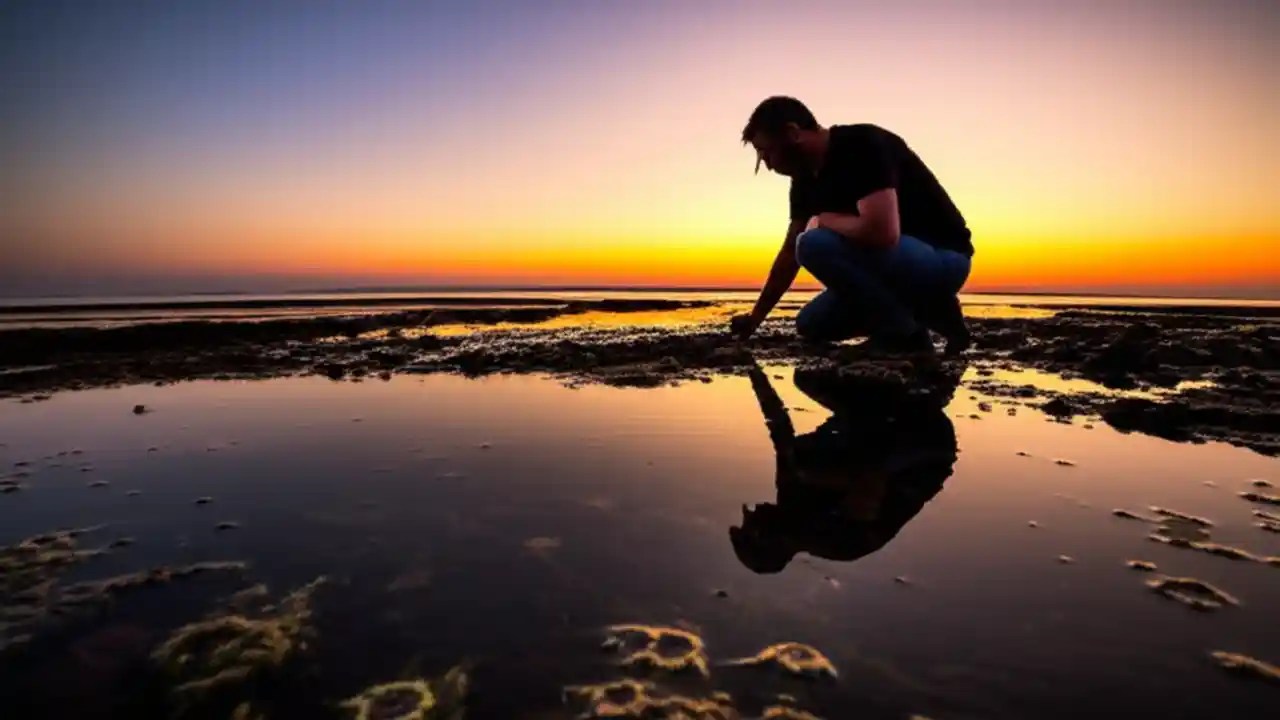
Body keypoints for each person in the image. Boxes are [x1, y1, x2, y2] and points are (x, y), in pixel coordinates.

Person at [731, 96, 974, 356]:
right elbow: (790, 253)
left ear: (792, 133)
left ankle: (904, 332)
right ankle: (929, 317)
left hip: (943, 259)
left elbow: (882, 233)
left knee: (813, 243)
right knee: (811, 324)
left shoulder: (861, 144)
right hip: (891, 268)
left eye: (766, 152)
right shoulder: (805, 180)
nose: (766, 164)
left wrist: (824, 220)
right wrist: (755, 318)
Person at [729, 364, 962, 574]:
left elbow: (779, 430)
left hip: (881, 443)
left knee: (808, 376)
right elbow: (873, 482)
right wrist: (816, 477)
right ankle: (910, 398)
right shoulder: (838, 543)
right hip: (928, 452)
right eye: (750, 520)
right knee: (805, 462)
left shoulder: (790, 501)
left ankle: (899, 386)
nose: (753, 509)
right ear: (765, 536)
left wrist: (754, 373)